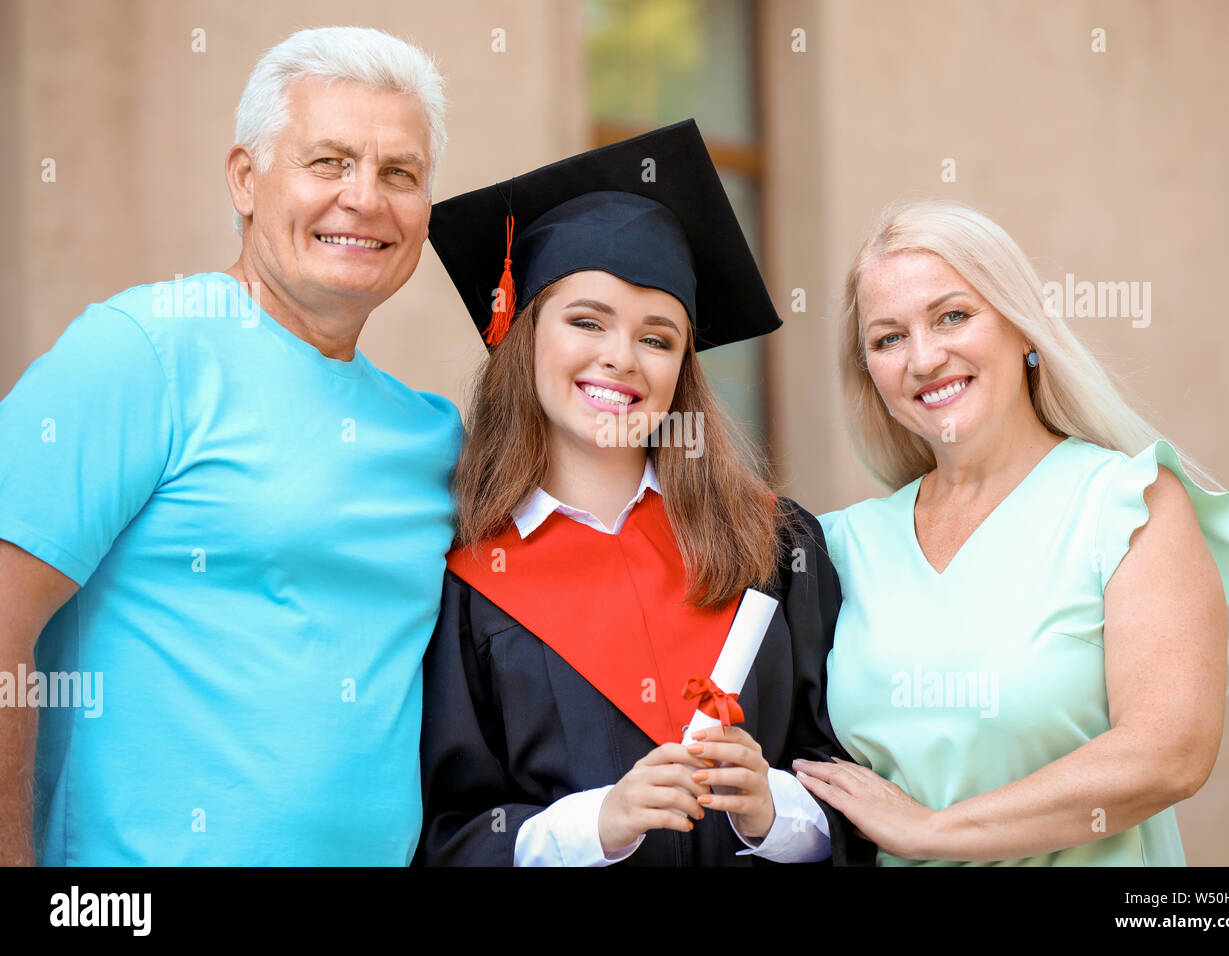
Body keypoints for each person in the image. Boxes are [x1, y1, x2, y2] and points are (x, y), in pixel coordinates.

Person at [0, 27, 460, 865]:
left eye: (401, 173)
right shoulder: (141, 353)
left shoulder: (433, 438)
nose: (364, 198)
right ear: (246, 179)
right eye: (328, 162)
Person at [416, 121, 869, 866]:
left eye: (658, 337)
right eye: (586, 321)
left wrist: (774, 811)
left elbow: (847, 790)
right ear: (524, 336)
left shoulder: (774, 546)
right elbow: (447, 834)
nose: (620, 358)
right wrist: (598, 825)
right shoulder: (466, 580)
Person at [795, 199, 1229, 865]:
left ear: (1023, 328)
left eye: (953, 315)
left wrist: (936, 832)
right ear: (870, 374)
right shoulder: (837, 548)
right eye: (888, 338)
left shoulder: (1125, 505)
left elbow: (1168, 752)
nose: (924, 357)